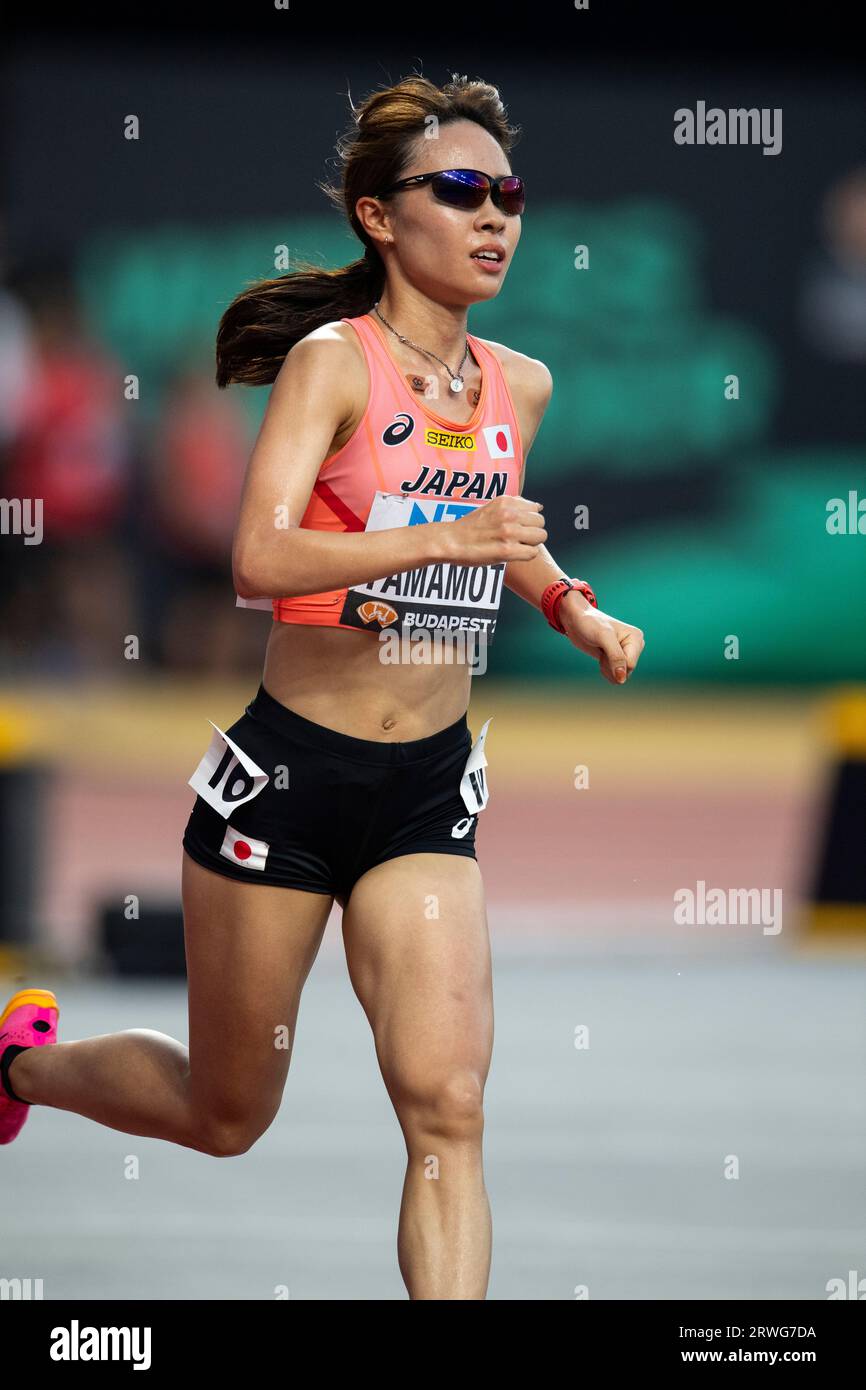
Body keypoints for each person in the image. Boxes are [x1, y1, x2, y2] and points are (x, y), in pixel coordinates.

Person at [0, 73, 644, 1300]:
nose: (495, 216)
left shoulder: (523, 384)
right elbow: (260, 556)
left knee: (448, 1106)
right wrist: (434, 544)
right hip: (287, 784)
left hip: (424, 793)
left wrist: (570, 606)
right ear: (377, 217)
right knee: (226, 1110)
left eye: (507, 193)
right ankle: (20, 1069)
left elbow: (501, 532)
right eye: (458, 192)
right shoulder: (331, 367)